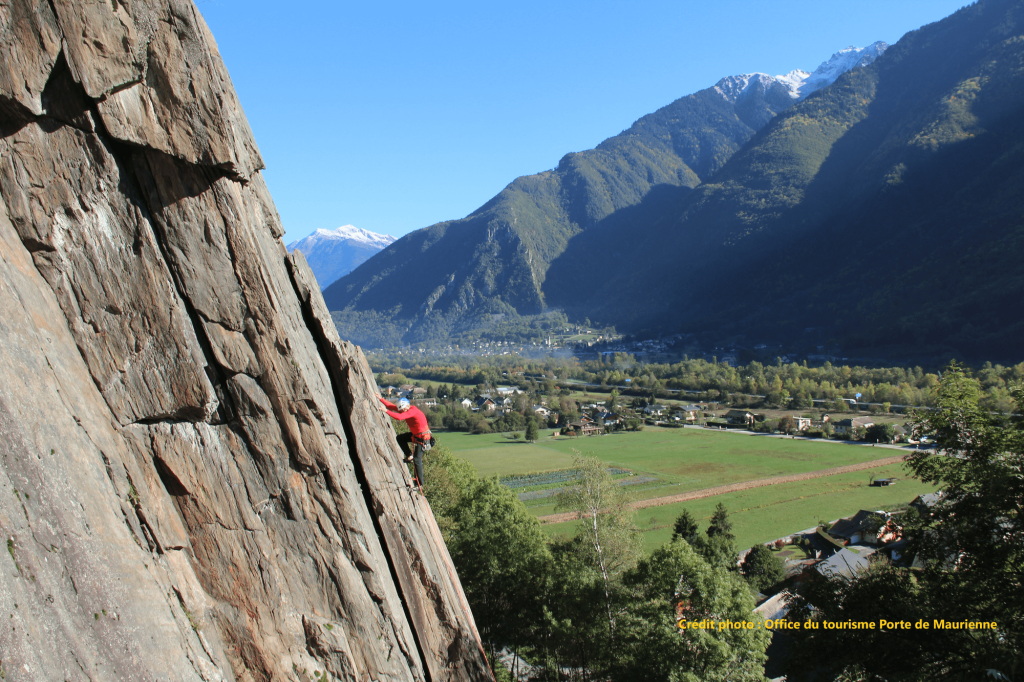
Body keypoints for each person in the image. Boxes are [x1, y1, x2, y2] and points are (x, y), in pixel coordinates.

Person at [380, 396, 433, 487]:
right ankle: (409, 455)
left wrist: (386, 411)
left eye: (403, 409)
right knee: (400, 438)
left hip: (423, 439)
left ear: (407, 405)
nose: (403, 411)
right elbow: (392, 406)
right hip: (416, 436)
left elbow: (399, 417)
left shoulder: (412, 411)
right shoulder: (406, 409)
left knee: (417, 460)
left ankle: (420, 484)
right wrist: (380, 399)